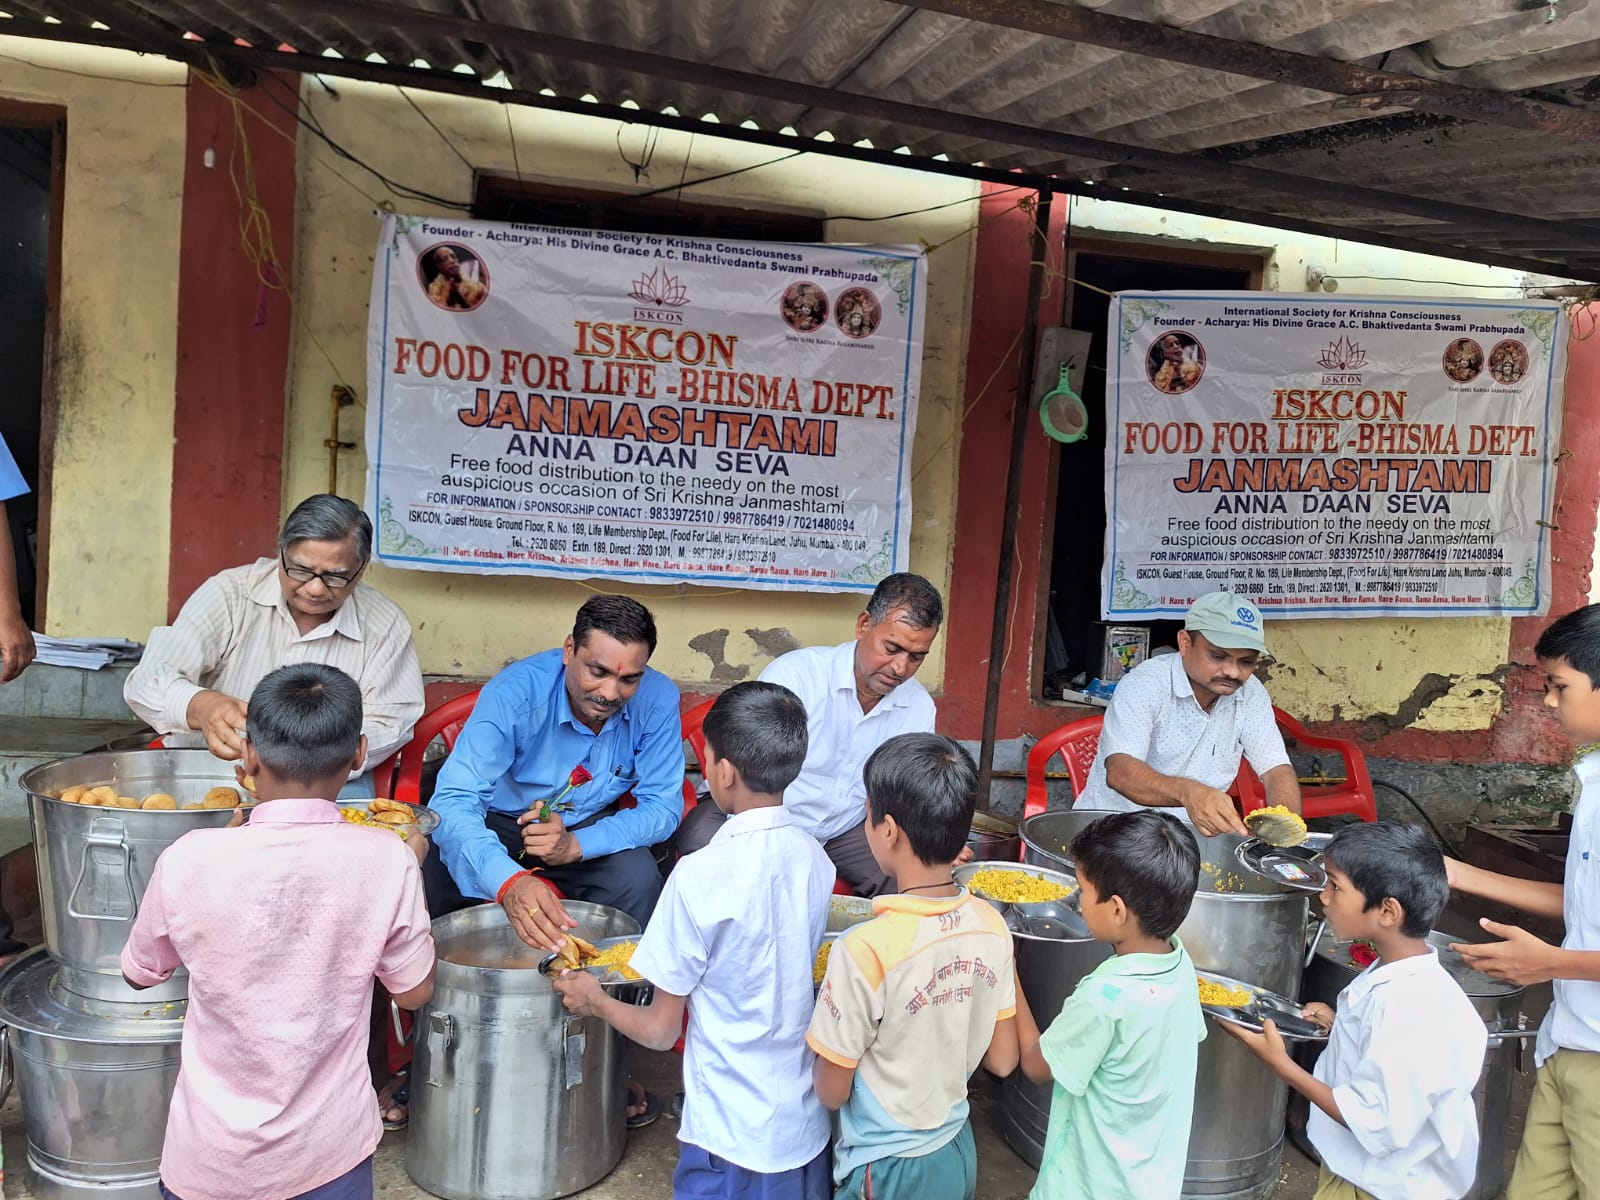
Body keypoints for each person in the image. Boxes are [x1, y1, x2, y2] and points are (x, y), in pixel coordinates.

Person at [120, 664, 436, 1200]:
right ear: (360, 754)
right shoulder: (389, 859)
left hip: (209, 1161)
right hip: (327, 1155)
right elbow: (414, 992)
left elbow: (140, 973)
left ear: (248, 757)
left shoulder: (189, 859)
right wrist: (413, 868)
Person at [553, 681, 834, 1199]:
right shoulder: (816, 860)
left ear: (722, 771)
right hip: (803, 1130)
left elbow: (661, 1031)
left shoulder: (699, 875)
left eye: (704, 755)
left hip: (729, 1135)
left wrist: (593, 1000)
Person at [808, 733, 1019, 1200]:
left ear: (888, 830)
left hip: (885, 1168)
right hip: (957, 1152)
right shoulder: (991, 926)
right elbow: (1003, 1061)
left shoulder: (864, 948)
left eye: (865, 815)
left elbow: (830, 1093)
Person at [1226, 822, 1485, 1200]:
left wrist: (1283, 1066)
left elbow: (1375, 1122)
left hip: (1377, 1187)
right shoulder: (1406, 975)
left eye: (1335, 886)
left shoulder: (1405, 1007)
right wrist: (1340, 1025)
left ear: (1387, 911)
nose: (1324, 897)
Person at [1445, 602, 1600, 1200]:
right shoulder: (1592, 784)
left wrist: (1549, 964)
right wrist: (1457, 872)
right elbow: (1583, 900)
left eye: (1560, 686)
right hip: (1569, 1041)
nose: (1550, 703)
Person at [124, 494, 424, 787]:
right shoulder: (229, 594)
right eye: (301, 570)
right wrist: (201, 706)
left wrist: (305, 761)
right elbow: (146, 681)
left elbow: (390, 724)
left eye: (335, 576)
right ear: (280, 552)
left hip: (326, 789)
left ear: (361, 570)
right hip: (208, 776)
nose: (316, 588)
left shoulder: (386, 625)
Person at [677, 573, 943, 894]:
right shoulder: (797, 676)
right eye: (892, 648)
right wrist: (778, 848)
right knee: (705, 849)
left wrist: (928, 845)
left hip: (844, 828)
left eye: (916, 657)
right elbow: (747, 781)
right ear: (863, 625)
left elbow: (902, 796)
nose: (900, 667)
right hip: (756, 814)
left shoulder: (918, 707)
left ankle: (867, 946)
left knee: (916, 881)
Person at [1012, 809, 1205, 1200]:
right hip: (1150, 1185)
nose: (1078, 900)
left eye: (1082, 890)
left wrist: (1007, 971)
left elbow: (1035, 1065)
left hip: (1088, 1188)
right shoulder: (1179, 965)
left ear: (1117, 909)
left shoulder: (1105, 997)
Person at [1073, 591, 1301, 837]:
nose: (1233, 672)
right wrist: (1188, 792)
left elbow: (1277, 769)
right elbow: (1120, 772)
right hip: (1111, 833)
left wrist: (1282, 830)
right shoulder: (1145, 684)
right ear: (1185, 643)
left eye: (1246, 661)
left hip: (1190, 841)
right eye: (1218, 656)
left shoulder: (1250, 694)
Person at [426, 246, 487, 310]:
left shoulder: (479, 287)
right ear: (439, 267)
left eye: (453, 257)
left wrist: (458, 296)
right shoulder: (433, 289)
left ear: (458, 261)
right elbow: (438, 313)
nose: (452, 261)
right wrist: (446, 290)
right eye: (445, 259)